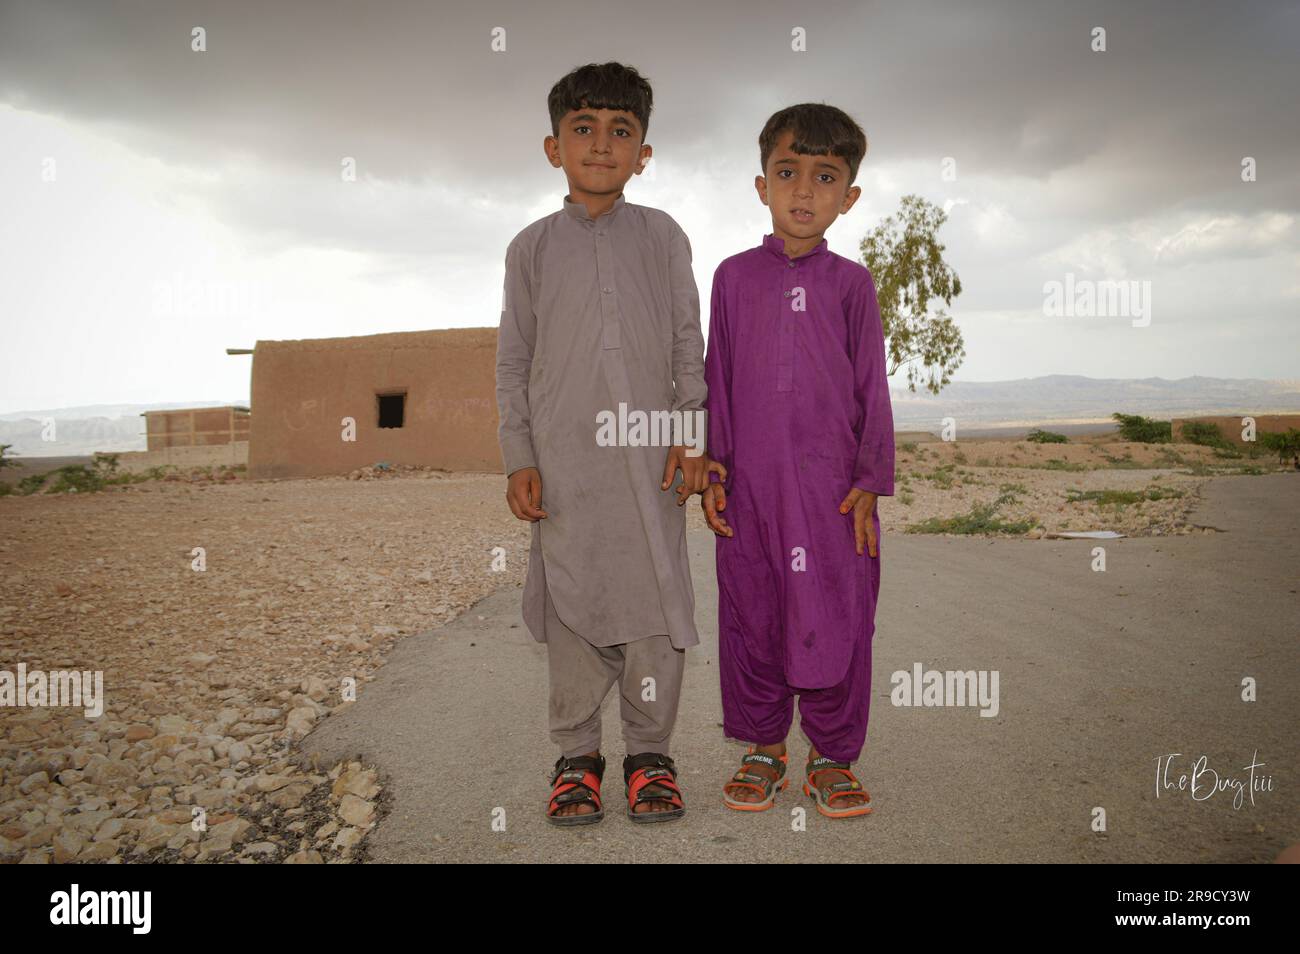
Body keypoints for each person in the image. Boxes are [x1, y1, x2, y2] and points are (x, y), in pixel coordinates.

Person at [495, 62, 713, 826]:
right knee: (572, 605)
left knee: (655, 602)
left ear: (643, 153)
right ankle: (578, 757)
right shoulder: (530, 249)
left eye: (621, 130)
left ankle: (650, 756)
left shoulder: (662, 237)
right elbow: (514, 362)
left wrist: (692, 436)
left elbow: (690, 341)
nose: (601, 143)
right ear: (553, 147)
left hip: (652, 459)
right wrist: (519, 456)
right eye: (582, 128)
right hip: (566, 462)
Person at [701, 103, 895, 819]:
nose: (803, 192)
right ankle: (764, 749)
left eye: (824, 177)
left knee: (838, 613)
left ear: (849, 197)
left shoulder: (852, 285)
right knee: (754, 608)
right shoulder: (731, 278)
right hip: (752, 487)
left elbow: (872, 388)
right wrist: (714, 468)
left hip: (832, 494)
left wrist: (871, 480)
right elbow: (716, 375)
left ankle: (833, 757)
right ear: (762, 185)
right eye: (788, 173)